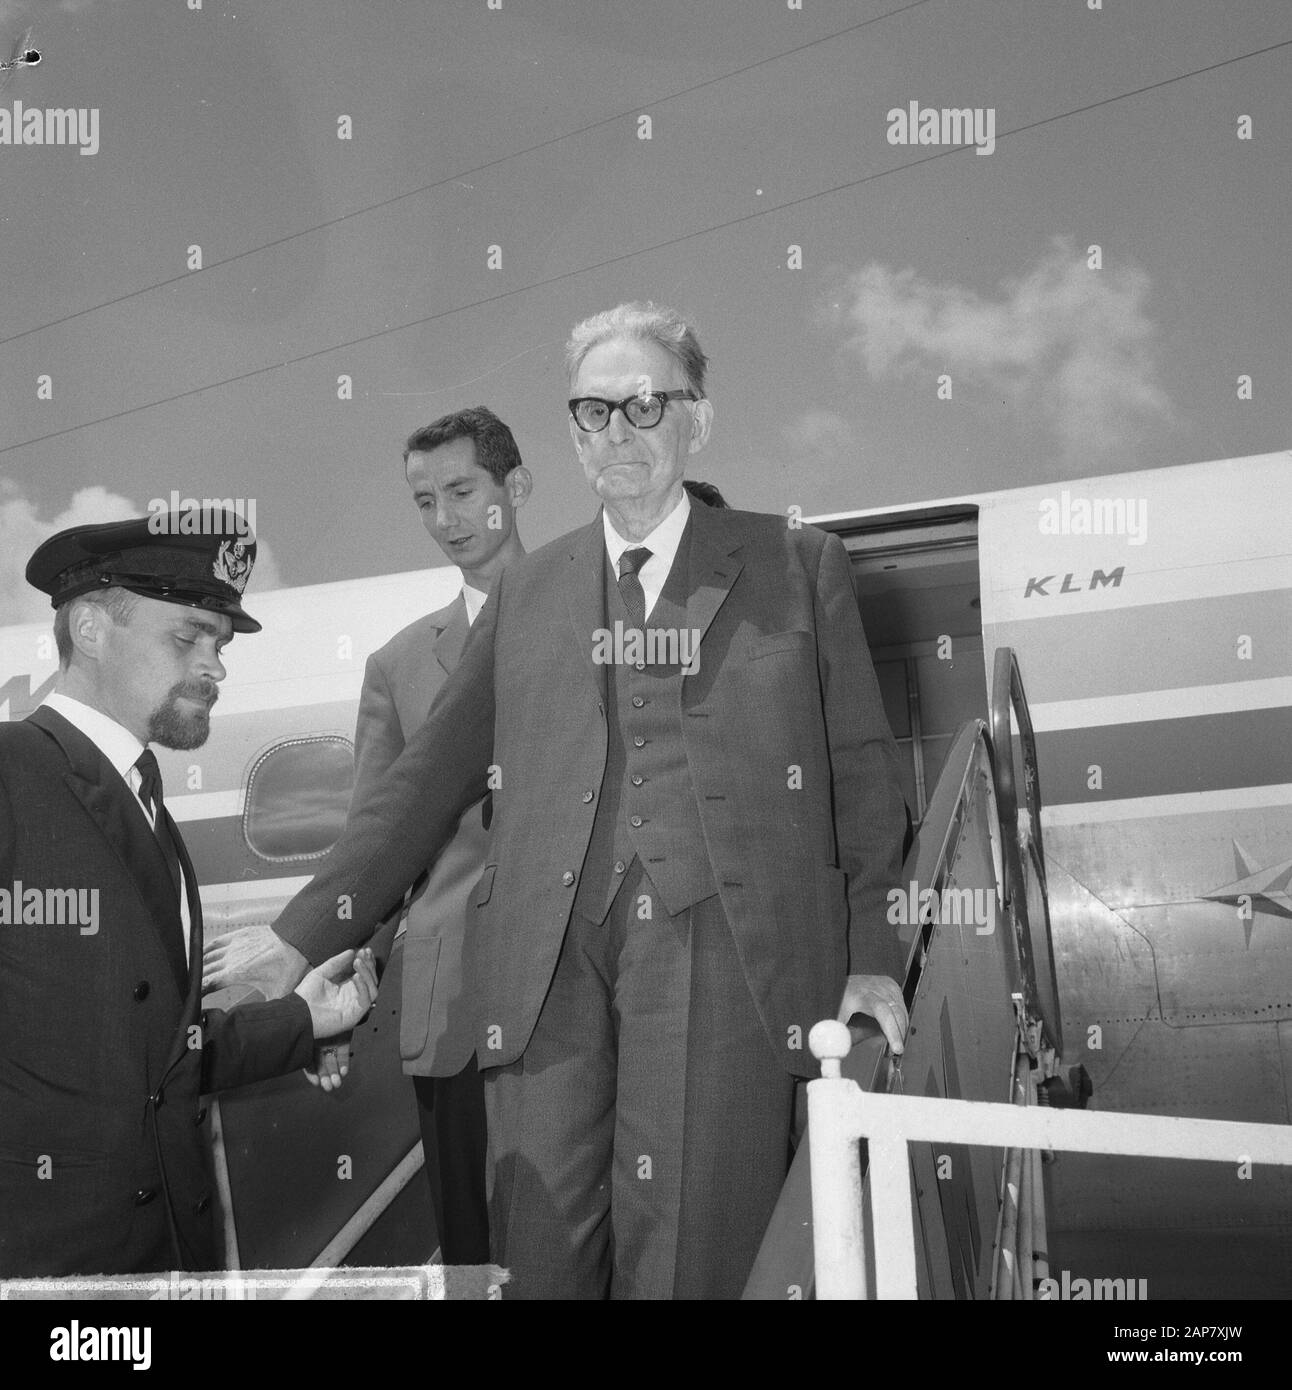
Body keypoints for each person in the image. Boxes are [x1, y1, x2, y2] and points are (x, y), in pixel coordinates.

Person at [203, 301, 909, 1299]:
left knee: (691, 1253)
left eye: (642, 406)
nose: (616, 433)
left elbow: (863, 784)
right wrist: (299, 935)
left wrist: (873, 956)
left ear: (695, 419)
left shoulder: (796, 566)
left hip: (725, 952)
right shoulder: (530, 594)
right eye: (591, 412)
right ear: (571, 433)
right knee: (541, 1251)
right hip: (547, 970)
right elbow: (416, 789)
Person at [0, 512, 376, 1277]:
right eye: (188, 637)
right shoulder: (10, 775)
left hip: (165, 1257)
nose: (215, 666)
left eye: (220, 644)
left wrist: (307, 1018)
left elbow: (160, 1060)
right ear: (93, 628)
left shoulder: (151, 812)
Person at [301, 406, 530, 1264]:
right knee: (474, 1253)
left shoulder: (604, 616)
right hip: (454, 1002)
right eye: (426, 502)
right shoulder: (396, 665)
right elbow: (375, 841)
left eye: (464, 492)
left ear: (518, 487)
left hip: (587, 982)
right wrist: (327, 988)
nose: (446, 520)